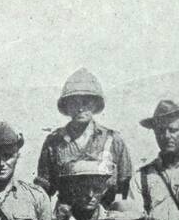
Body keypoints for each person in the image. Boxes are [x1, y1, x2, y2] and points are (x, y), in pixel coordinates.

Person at [36, 68, 133, 212]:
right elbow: (44, 189)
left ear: (95, 104)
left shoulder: (113, 140)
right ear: (67, 106)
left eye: (86, 102)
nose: (80, 108)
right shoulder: (54, 142)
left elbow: (124, 188)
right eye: (74, 103)